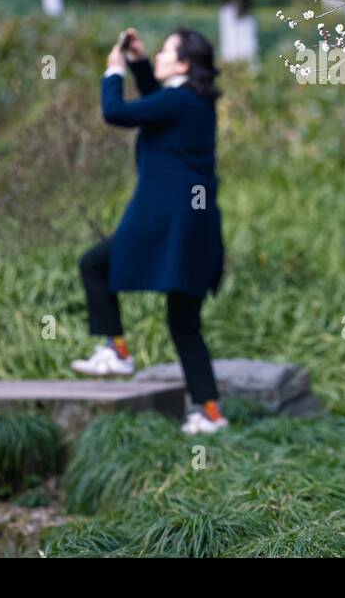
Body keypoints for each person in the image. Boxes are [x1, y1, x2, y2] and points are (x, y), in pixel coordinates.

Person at [70, 26, 228, 436]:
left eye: (163, 51)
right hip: (194, 221)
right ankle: (210, 412)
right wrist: (139, 62)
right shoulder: (189, 101)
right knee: (183, 321)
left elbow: (116, 112)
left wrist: (114, 72)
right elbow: (157, 104)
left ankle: (117, 350)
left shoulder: (179, 100)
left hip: (172, 219)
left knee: (95, 264)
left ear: (183, 63)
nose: (157, 55)